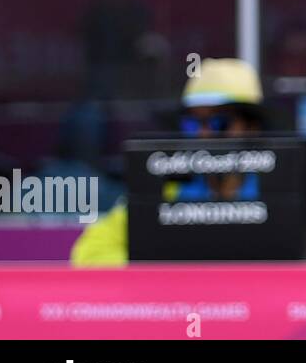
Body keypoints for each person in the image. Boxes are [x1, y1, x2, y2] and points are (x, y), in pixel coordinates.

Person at [70, 58, 270, 266]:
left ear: (252, 127)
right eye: (193, 123)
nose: (204, 134)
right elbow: (90, 251)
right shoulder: (168, 187)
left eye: (219, 122)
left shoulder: (279, 187)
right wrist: (159, 272)